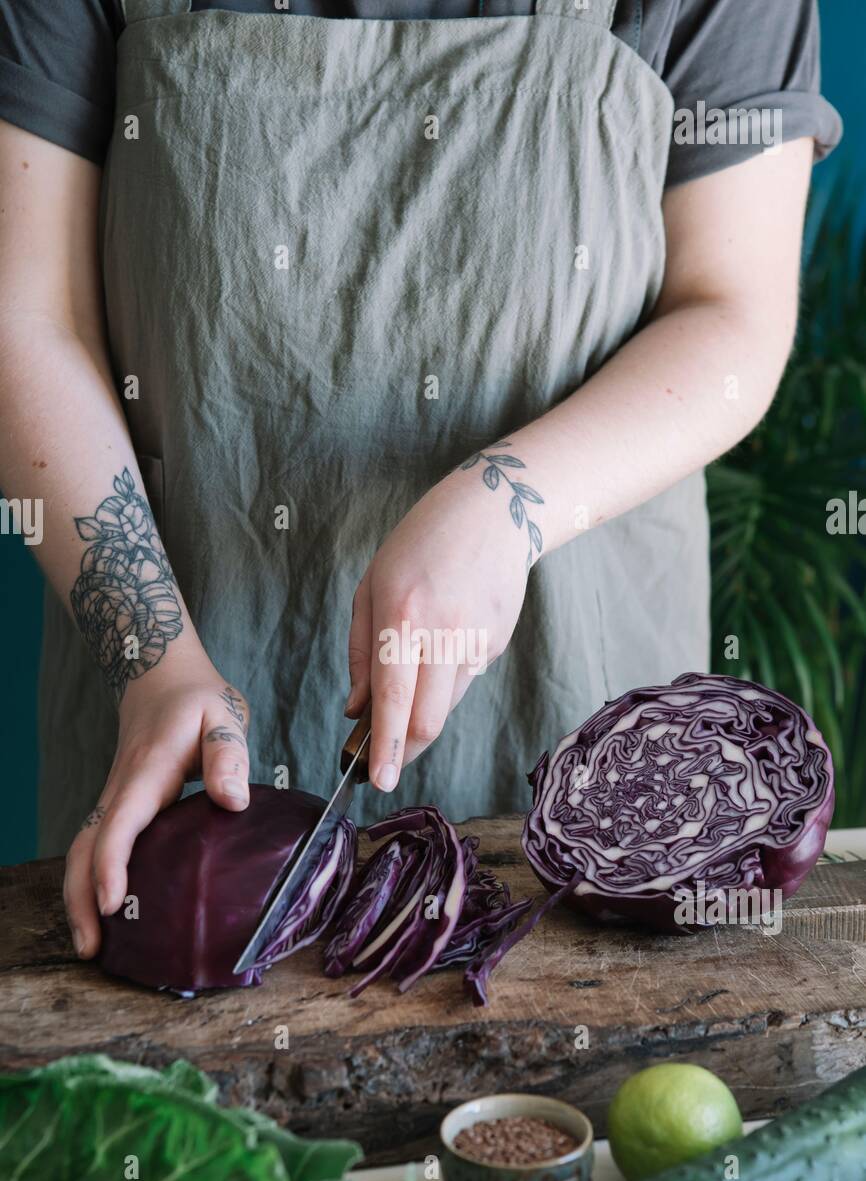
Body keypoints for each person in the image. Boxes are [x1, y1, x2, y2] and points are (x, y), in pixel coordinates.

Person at [0, 0, 841, 959]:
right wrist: (154, 662)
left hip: (574, 676)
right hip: (164, 694)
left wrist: (506, 505)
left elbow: (730, 310)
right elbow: (30, 319)